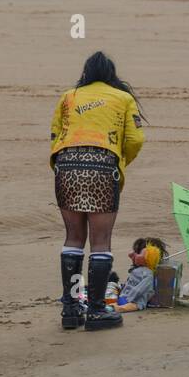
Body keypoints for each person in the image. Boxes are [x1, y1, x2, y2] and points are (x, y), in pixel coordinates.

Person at [49, 51, 145, 331]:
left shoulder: (69, 96)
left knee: (73, 238)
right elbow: (135, 139)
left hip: (66, 166)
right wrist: (119, 158)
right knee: (100, 241)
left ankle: (71, 307)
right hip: (103, 167)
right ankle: (96, 310)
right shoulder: (123, 98)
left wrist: (64, 162)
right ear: (112, 75)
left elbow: (55, 134)